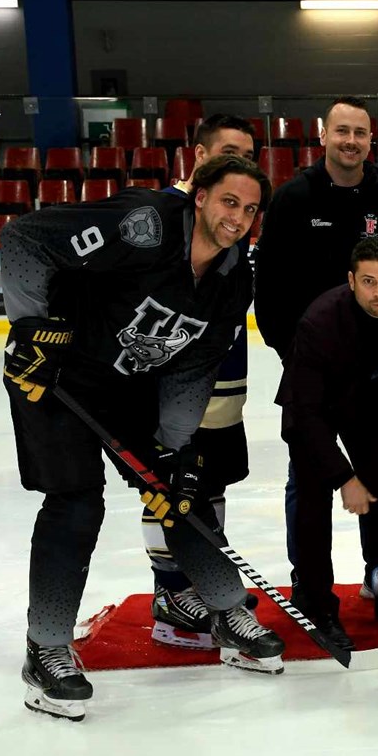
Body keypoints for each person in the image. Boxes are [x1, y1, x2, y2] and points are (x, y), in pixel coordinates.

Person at [0, 155, 281, 722]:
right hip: (55, 377)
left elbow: (194, 366)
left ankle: (227, 610)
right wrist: (30, 329)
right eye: (229, 202)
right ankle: (46, 647)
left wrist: (175, 449)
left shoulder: (232, 280)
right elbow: (24, 239)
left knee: (179, 492)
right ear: (200, 196)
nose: (238, 218)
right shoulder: (144, 226)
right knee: (77, 503)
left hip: (128, 386)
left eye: (250, 210)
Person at [253, 95, 378, 601]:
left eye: (360, 132)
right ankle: (313, 592)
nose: (351, 141)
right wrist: (297, 359)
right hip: (311, 371)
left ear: (371, 140)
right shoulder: (292, 199)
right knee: (309, 487)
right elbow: (269, 292)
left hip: (373, 380)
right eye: (342, 131)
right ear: (323, 135)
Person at [143, 114, 262, 650]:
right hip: (172, 386)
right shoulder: (166, 214)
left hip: (224, 383)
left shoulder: (236, 223)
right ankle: (171, 592)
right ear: (199, 156)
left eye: (249, 156)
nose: (240, 164)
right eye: (229, 152)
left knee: (210, 486)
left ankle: (206, 582)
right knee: (166, 487)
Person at [276, 237, 378, 649]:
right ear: (351, 280)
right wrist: (344, 477)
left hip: (369, 404)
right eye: (368, 282)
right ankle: (318, 604)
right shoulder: (319, 322)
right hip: (313, 410)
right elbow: (306, 415)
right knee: (312, 506)